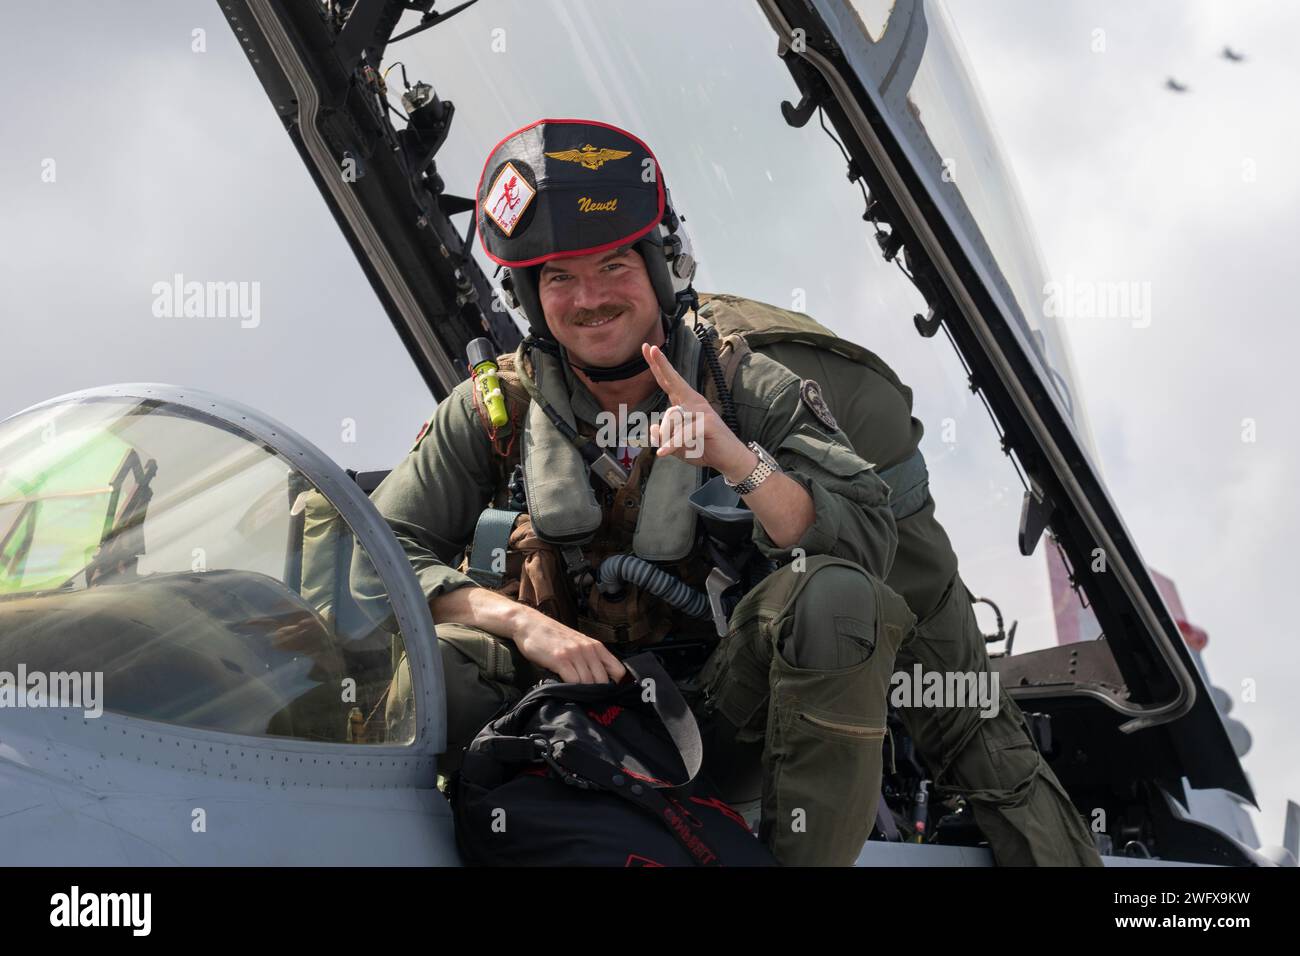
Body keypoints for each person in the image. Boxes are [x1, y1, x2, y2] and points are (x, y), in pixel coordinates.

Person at [373, 117, 1099, 866]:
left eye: (614, 265)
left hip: (721, 722)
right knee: (445, 660)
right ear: (530, 293)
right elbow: (371, 552)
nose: (588, 298)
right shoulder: (501, 408)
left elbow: (868, 540)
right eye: (558, 277)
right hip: (554, 722)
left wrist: (736, 460)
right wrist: (524, 626)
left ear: (659, 267)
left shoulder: (745, 382)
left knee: (837, 598)